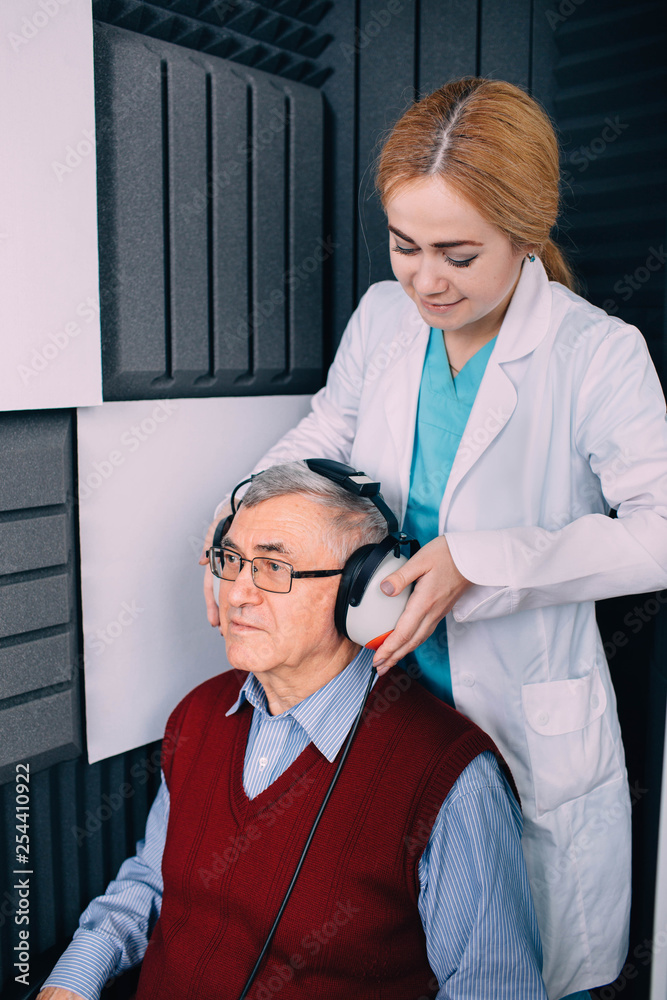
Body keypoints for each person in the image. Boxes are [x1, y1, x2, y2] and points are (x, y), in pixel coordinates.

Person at [200, 78, 667, 999]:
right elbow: (327, 431)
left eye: (457, 254)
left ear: (525, 233)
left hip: (514, 711)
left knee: (521, 962)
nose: (425, 280)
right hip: (380, 685)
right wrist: (238, 515)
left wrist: (479, 561)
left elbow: (657, 533)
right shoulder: (385, 316)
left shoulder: (595, 353)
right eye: (404, 245)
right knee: (390, 942)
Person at [38, 461, 546, 1000]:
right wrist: (71, 982)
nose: (236, 593)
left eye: (273, 568)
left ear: (362, 594)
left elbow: (492, 987)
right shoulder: (197, 714)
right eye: (231, 560)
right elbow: (153, 880)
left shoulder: (450, 775)